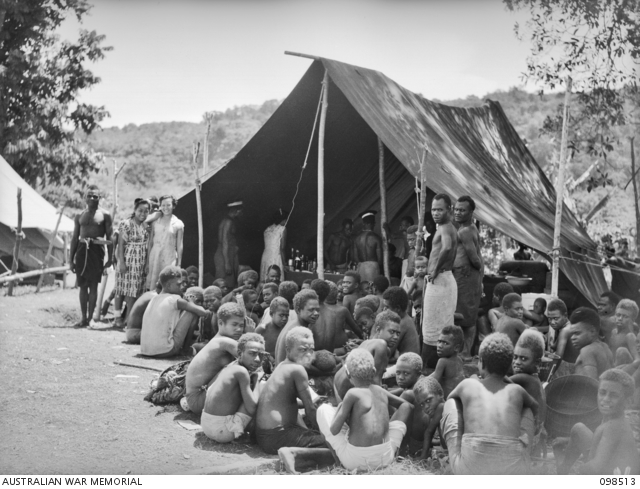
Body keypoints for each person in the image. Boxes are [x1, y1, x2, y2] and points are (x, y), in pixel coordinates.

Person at [278, 348, 413, 474]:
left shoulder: (352, 394)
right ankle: (396, 450)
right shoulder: (381, 391)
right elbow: (407, 406)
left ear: (348, 374)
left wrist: (341, 407)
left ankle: (339, 462)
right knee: (404, 408)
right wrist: (385, 426)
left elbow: (334, 430)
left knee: (323, 410)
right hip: (385, 458)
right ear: (373, 371)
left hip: (355, 461)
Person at [443, 333, 538, 474]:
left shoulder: (467, 385)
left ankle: (454, 456)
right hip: (511, 470)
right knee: (527, 410)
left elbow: (450, 401)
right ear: (509, 365)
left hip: (470, 469)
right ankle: (525, 458)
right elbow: (535, 406)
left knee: (451, 403)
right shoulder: (516, 390)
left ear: (481, 361)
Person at [255, 327, 327, 454]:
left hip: (264, 436)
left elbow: (285, 401)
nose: (309, 354)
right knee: (330, 443)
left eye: (311, 349)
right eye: (303, 350)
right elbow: (309, 409)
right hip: (276, 436)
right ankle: (293, 456)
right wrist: (325, 433)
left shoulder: (282, 366)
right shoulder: (297, 370)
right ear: (288, 350)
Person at [555, 369, 639, 474]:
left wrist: (578, 472)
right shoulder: (612, 420)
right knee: (578, 429)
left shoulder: (613, 426)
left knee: (588, 468)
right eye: (602, 392)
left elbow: (595, 469)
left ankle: (563, 472)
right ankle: (563, 469)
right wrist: (568, 440)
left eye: (614, 395)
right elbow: (604, 441)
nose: (606, 399)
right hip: (612, 469)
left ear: (628, 402)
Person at [183, 302, 246, 414]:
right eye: (234, 324)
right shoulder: (224, 341)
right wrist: (252, 333)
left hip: (196, 398)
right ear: (221, 323)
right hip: (198, 400)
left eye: (241, 326)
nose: (239, 329)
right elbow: (251, 359)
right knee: (238, 368)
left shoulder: (220, 339)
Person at [201, 333, 265, 443]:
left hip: (207, 425)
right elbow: (252, 408)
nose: (258, 359)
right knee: (261, 388)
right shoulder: (241, 372)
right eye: (252, 354)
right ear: (240, 353)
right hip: (221, 431)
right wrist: (257, 379)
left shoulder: (231, 366)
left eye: (261, 355)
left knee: (249, 392)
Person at [422, 194, 458, 369]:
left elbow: (447, 246)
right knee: (438, 324)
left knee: (434, 328)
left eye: (440, 209)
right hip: (443, 280)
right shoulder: (447, 226)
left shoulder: (445, 228)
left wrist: (435, 269)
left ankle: (431, 367)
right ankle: (438, 366)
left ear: (449, 209)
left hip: (441, 279)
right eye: (433, 209)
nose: (435, 213)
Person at [70, 185, 114, 327]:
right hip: (82, 250)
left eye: (95, 196)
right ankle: (83, 318)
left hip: (96, 251)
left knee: (93, 285)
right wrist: (71, 260)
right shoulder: (79, 215)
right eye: (89, 195)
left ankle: (91, 319)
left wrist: (110, 259)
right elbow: (75, 238)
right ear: (85, 197)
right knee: (83, 285)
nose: (92, 198)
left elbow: (110, 237)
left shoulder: (105, 215)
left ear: (99, 198)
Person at [140, 266, 207, 358]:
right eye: (178, 284)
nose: (182, 287)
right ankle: (186, 350)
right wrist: (192, 302)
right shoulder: (174, 299)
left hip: (145, 350)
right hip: (165, 350)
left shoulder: (154, 298)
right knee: (193, 312)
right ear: (168, 285)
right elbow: (202, 312)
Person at [334, 310, 402, 400]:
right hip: (347, 394)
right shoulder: (381, 345)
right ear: (378, 329)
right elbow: (376, 387)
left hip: (337, 386)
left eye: (398, 333)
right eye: (392, 332)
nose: (396, 337)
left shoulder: (366, 343)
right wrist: (402, 391)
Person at [453, 195, 483, 358]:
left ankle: (464, 354)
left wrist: (466, 270)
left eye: (462, 210)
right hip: (465, 277)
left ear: (471, 212)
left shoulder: (465, 231)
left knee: (465, 317)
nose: (457, 213)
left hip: (465, 278)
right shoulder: (469, 228)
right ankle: (464, 352)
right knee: (465, 316)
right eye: (456, 209)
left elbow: (475, 259)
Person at [114, 199, 151, 328]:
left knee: (134, 292)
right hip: (128, 259)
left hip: (140, 261)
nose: (143, 213)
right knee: (121, 289)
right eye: (140, 210)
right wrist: (122, 262)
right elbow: (120, 245)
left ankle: (128, 320)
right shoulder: (126, 224)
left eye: (146, 211)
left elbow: (148, 247)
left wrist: (146, 264)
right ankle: (117, 317)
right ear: (134, 210)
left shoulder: (147, 226)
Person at [510, 329, 547, 448]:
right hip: (535, 434)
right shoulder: (535, 379)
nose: (517, 362)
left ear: (537, 363)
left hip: (527, 437)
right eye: (515, 357)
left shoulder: (525, 378)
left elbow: (496, 383)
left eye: (523, 359)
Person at [310, 279, 362, 353]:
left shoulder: (311, 311)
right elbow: (356, 329)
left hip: (321, 352)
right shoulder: (340, 310)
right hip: (339, 349)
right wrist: (364, 340)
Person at [145, 195, 184, 291]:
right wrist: (147, 262)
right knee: (153, 285)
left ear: (173, 206)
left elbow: (179, 245)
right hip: (155, 256)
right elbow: (150, 243)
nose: (165, 208)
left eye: (168, 205)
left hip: (169, 257)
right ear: (160, 206)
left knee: (167, 284)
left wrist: (179, 264)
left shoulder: (178, 224)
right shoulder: (155, 222)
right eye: (163, 205)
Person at [274, 289, 320, 365]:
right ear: (298, 310)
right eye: (311, 310)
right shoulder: (298, 332)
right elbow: (304, 365)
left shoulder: (294, 324)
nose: (316, 313)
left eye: (317, 310)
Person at [571, 307, 614, 380]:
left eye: (577, 333)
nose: (572, 337)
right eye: (572, 334)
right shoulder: (605, 347)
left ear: (592, 331)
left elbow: (591, 382)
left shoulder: (587, 350)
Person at [379, 286, 420, 358]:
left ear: (397, 308)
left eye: (387, 307)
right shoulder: (405, 319)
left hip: (407, 365)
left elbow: (386, 353)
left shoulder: (402, 324)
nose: (384, 310)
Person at [412, 376, 445, 461]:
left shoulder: (441, 407)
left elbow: (428, 432)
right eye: (422, 404)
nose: (426, 407)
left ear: (440, 394)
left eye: (428, 400)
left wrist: (423, 456)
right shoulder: (438, 411)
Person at [547, 298, 579, 378]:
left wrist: (549, 375)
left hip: (569, 369)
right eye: (550, 319)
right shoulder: (566, 327)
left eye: (556, 318)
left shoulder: (564, 331)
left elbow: (558, 357)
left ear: (565, 315)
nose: (552, 322)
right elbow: (555, 346)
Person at [429, 325, 465, 398]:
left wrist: (420, 382)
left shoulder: (442, 361)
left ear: (456, 347)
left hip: (447, 400)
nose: (440, 346)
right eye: (439, 342)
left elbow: (433, 383)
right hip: (459, 398)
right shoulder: (459, 360)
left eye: (445, 343)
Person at [214, 201, 243, 289]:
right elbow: (225, 241)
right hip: (225, 255)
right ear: (236, 211)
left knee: (229, 282)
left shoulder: (227, 221)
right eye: (241, 211)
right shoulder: (228, 222)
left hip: (228, 254)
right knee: (225, 283)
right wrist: (227, 262)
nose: (242, 213)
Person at [351, 210, 383, 283]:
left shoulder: (357, 238)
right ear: (373, 224)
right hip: (373, 267)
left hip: (360, 266)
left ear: (363, 223)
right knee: (372, 288)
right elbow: (380, 259)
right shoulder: (376, 238)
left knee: (362, 288)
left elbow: (355, 257)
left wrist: (362, 265)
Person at [260, 210, 288, 283]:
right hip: (276, 256)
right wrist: (284, 264)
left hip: (266, 256)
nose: (286, 222)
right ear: (283, 219)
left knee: (267, 278)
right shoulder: (282, 229)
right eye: (286, 220)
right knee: (276, 278)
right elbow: (282, 249)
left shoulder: (266, 229)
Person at [609, 298, 640, 364]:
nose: (620, 318)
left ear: (633, 320)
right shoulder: (613, 332)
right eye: (618, 315)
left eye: (625, 316)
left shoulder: (630, 336)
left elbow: (637, 360)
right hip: (613, 367)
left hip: (624, 370)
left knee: (622, 351)